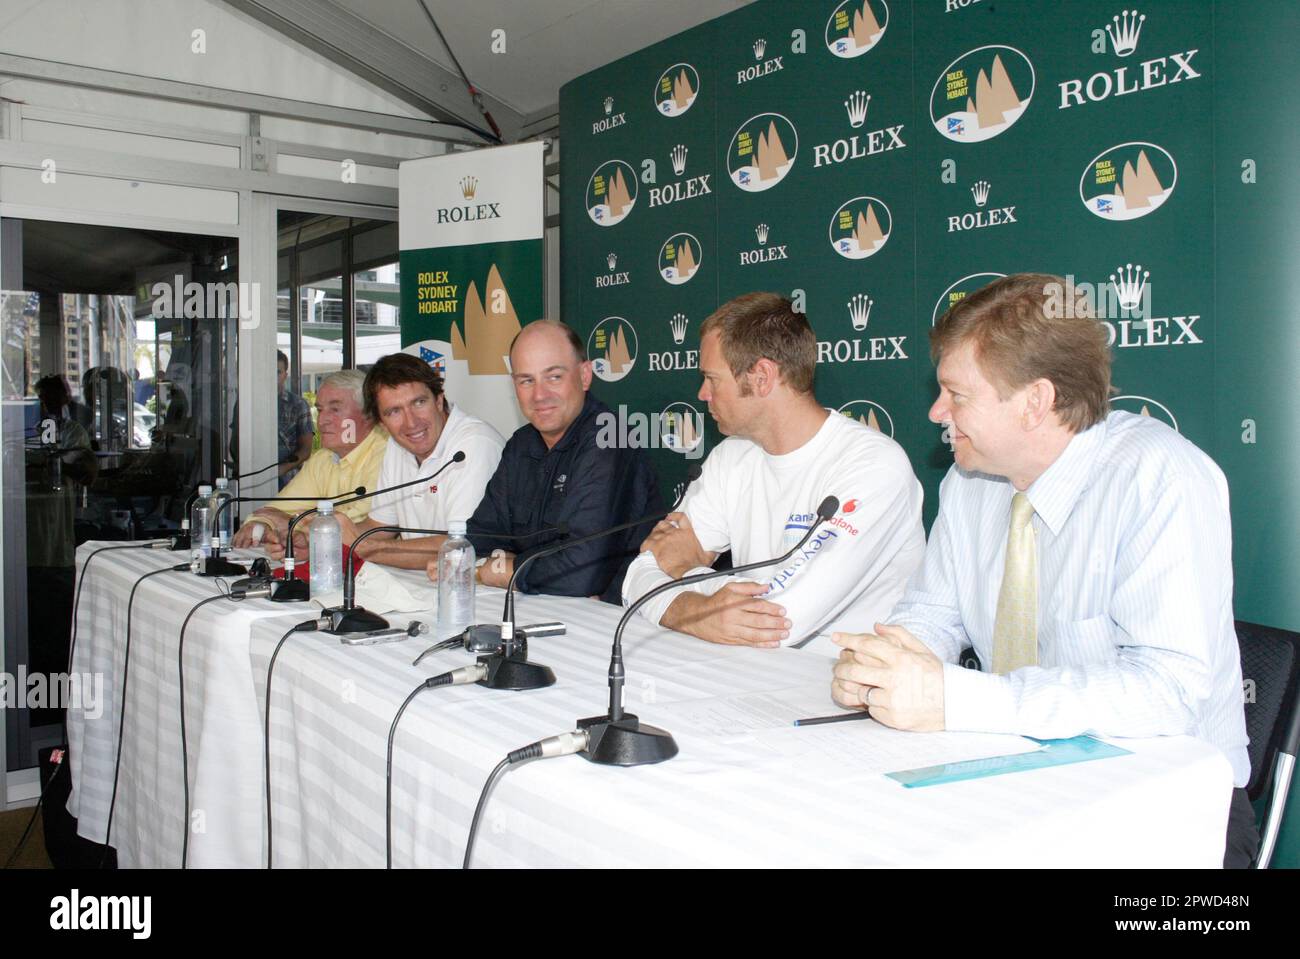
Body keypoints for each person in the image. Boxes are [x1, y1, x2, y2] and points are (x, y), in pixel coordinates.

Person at [829, 273, 1255, 867]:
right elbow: (933, 614)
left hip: (1168, 804)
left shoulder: (1160, 479)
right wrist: (885, 661)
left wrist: (959, 699)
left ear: (1035, 401)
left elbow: (1167, 691)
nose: (936, 412)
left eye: (957, 395)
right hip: (1019, 778)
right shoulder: (969, 481)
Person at [621, 292, 925, 653]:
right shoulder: (730, 456)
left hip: (848, 689)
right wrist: (699, 610)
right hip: (748, 675)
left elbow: (779, 620)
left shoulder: (873, 466)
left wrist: (686, 581)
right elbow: (638, 575)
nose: (702, 393)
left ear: (762, 377)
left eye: (711, 379)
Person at [457, 319, 662, 604]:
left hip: (612, 622)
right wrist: (516, 568)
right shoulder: (521, 444)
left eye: (554, 377)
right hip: (535, 609)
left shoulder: (611, 439)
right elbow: (480, 541)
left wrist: (508, 570)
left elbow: (582, 573)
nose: (539, 395)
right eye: (526, 380)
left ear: (585, 376)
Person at [317, 352, 504, 569]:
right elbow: (380, 527)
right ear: (382, 424)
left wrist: (366, 548)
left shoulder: (475, 444)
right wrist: (323, 540)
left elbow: (460, 545)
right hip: (420, 585)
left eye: (418, 402)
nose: (411, 422)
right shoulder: (398, 445)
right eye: (394, 411)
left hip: (478, 591)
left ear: (439, 399)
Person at [232, 369, 386, 557]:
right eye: (320, 410)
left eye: (335, 409)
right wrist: (262, 524)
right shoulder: (323, 459)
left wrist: (291, 523)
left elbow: (360, 525)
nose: (322, 420)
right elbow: (274, 510)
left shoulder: (387, 455)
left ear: (368, 414)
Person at [275, 350, 314, 487]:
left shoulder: (298, 405)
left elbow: (306, 450)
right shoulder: (245, 404)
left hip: (288, 482)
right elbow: (235, 444)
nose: (272, 377)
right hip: (251, 480)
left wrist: (281, 470)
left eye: (277, 372)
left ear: (285, 375)